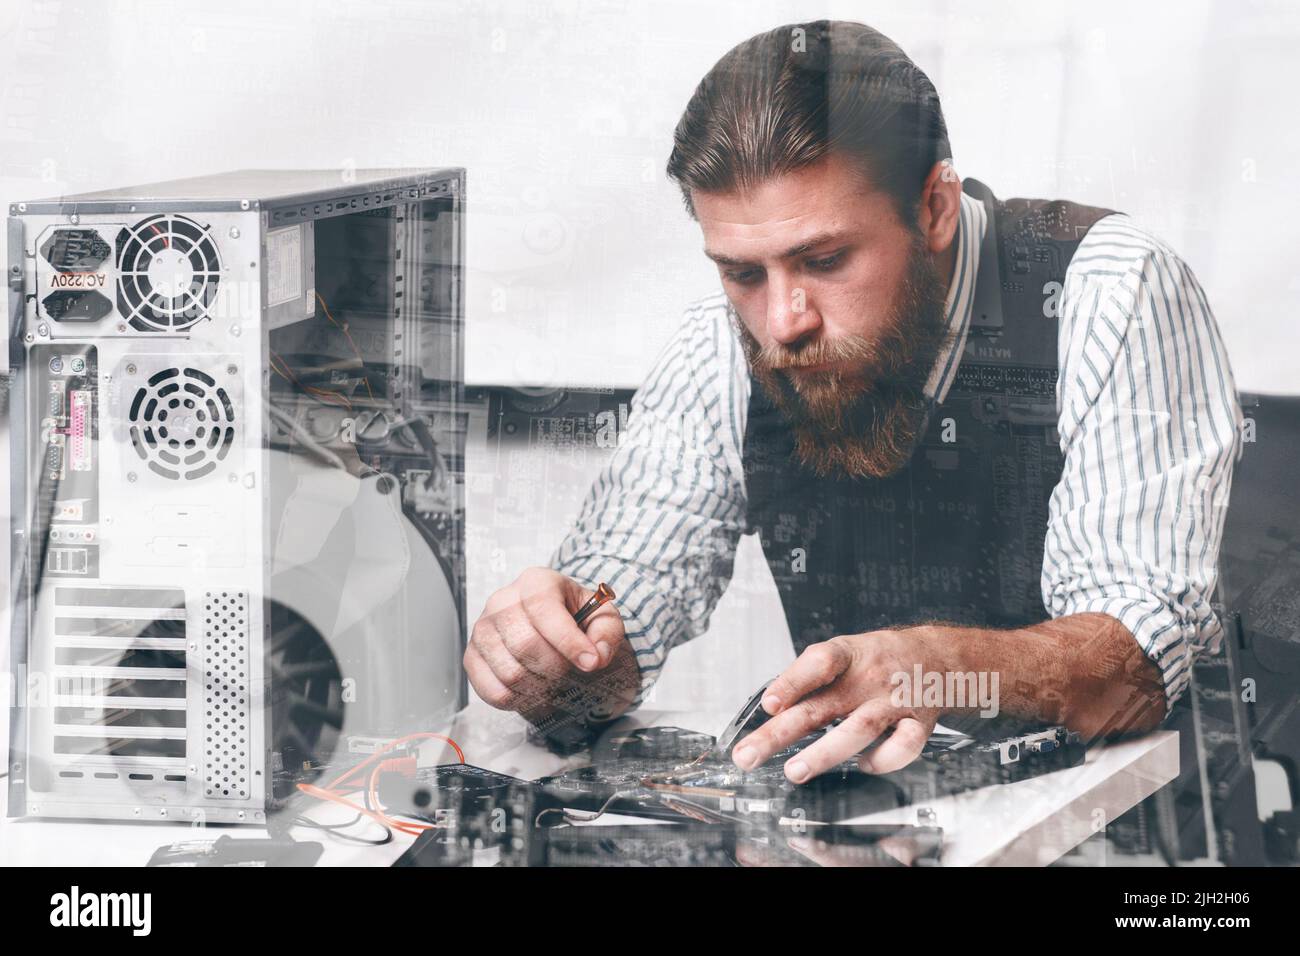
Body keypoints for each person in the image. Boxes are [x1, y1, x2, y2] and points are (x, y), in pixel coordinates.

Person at [465, 20, 1243, 782]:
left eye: (826, 259)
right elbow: (610, 643)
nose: (781, 324)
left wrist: (936, 670)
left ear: (934, 208)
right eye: (741, 273)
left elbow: (1132, 669)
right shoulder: (722, 342)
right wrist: (557, 660)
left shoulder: (1105, 291)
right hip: (880, 829)